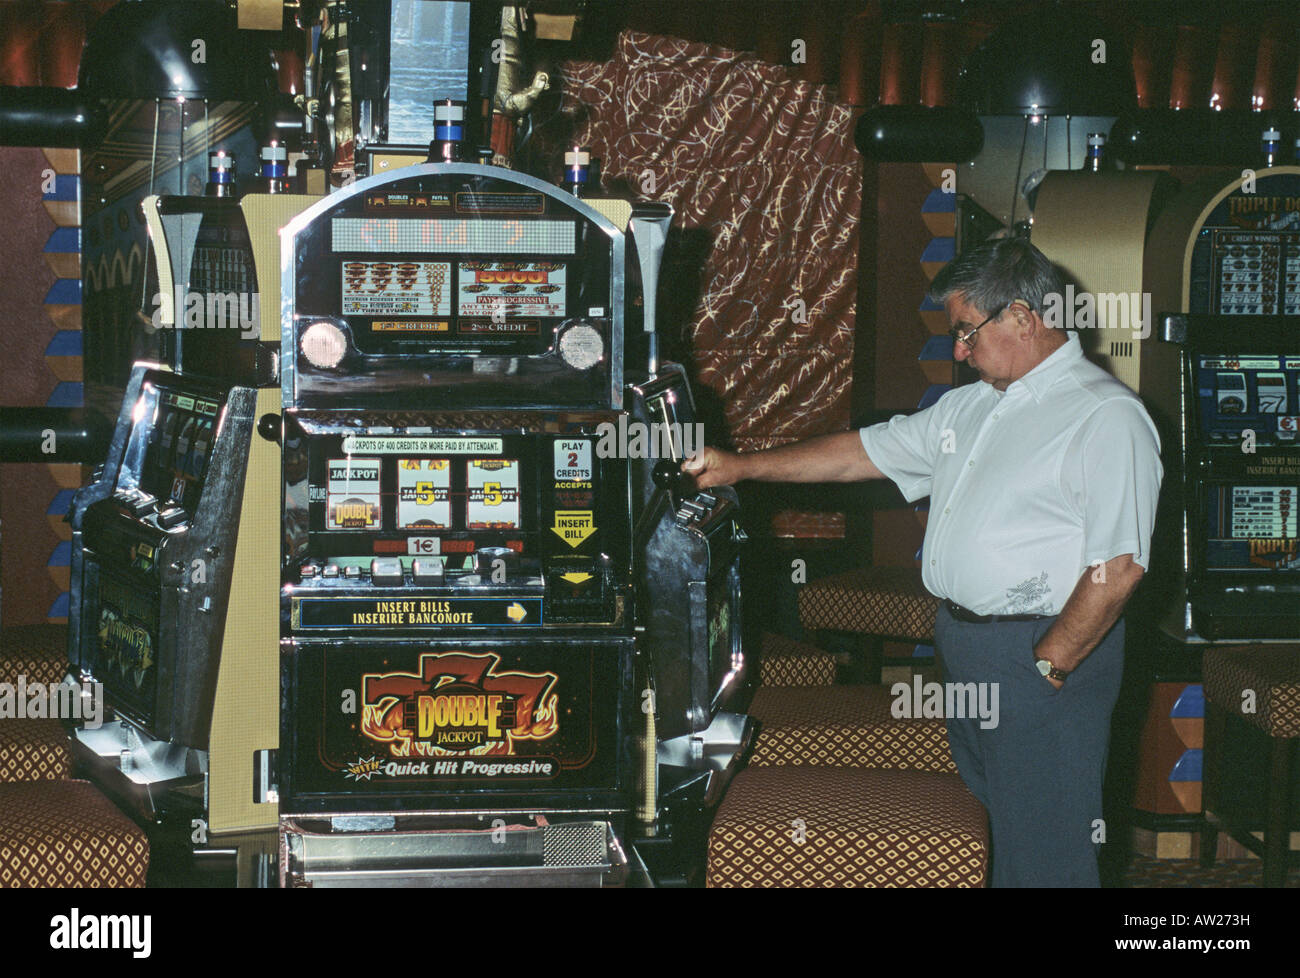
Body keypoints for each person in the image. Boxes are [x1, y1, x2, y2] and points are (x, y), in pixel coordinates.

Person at [683, 237, 1163, 887]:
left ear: (1021, 317)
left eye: (966, 331)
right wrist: (740, 467)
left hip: (1040, 655)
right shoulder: (973, 406)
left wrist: (1047, 664)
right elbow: (860, 454)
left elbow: (1121, 566)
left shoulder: (1105, 416)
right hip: (969, 645)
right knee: (1002, 832)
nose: (958, 350)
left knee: (1050, 854)